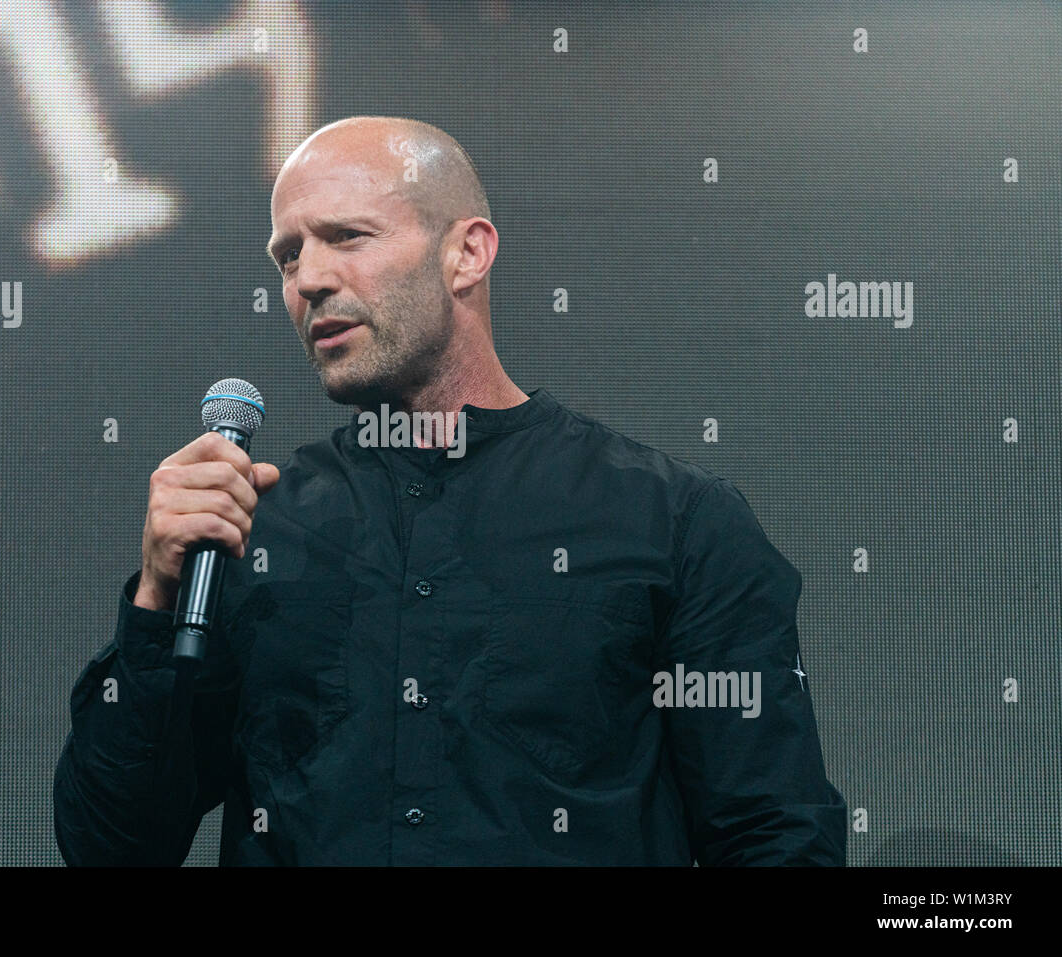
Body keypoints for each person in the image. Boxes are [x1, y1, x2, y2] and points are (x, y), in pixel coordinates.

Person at [53, 116, 848, 866]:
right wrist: (158, 600)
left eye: (347, 238)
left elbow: (773, 834)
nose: (310, 281)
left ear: (467, 252)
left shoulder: (673, 521)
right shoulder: (251, 530)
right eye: (288, 256)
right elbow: (112, 847)